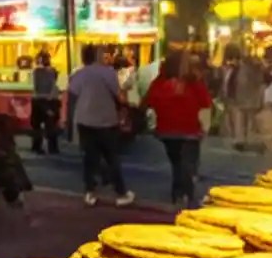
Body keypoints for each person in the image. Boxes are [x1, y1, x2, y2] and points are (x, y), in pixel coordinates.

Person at [143, 52, 214, 209]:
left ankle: (177, 194)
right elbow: (205, 102)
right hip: (189, 130)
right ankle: (187, 195)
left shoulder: (160, 82)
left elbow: (149, 101)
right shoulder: (194, 82)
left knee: (177, 164)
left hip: (167, 130)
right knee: (187, 164)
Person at [68, 45, 134, 208]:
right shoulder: (108, 72)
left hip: (85, 120)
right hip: (106, 120)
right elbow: (118, 95)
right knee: (112, 157)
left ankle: (90, 192)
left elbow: (71, 96)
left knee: (89, 158)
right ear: (98, 55)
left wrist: (67, 119)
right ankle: (121, 193)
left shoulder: (79, 74)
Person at [30, 52, 61, 155]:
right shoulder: (52, 71)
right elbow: (53, 85)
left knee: (37, 125)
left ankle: (37, 145)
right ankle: (52, 147)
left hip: (38, 99)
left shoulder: (36, 71)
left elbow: (36, 86)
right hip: (50, 100)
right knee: (50, 124)